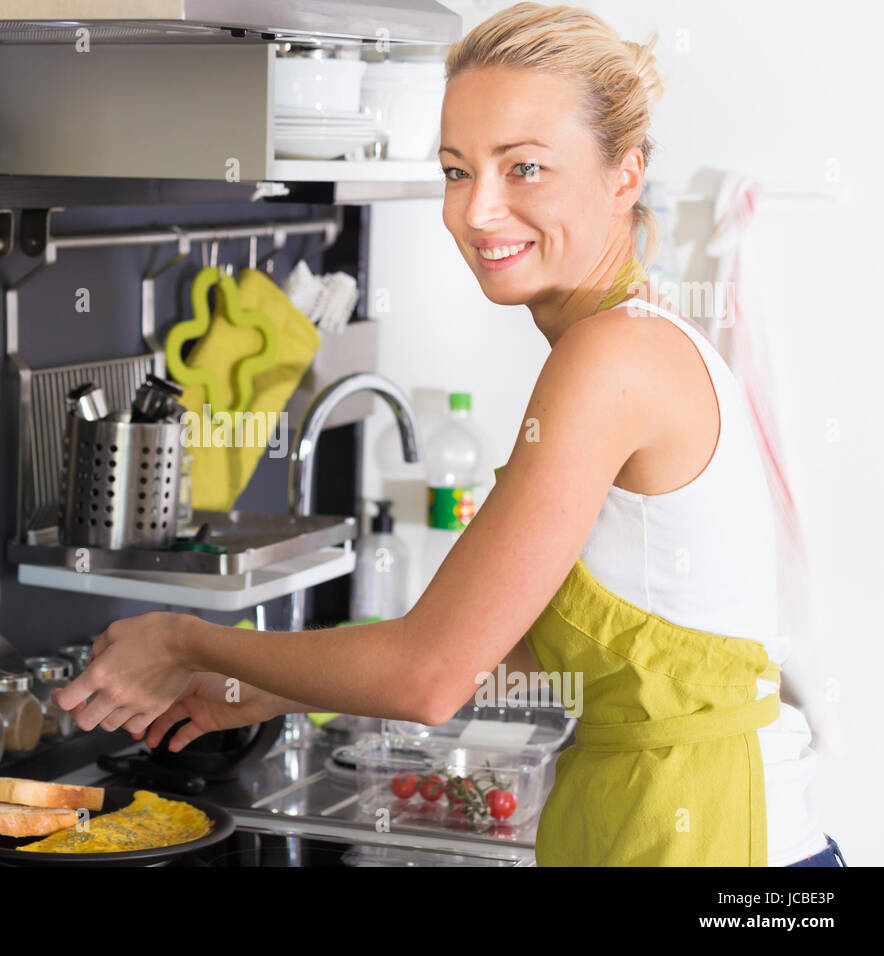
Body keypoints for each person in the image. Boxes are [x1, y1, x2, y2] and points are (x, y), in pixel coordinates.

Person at [53, 2, 838, 867]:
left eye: (525, 167)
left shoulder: (613, 356)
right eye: (458, 170)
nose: (478, 211)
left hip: (721, 839)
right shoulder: (626, 341)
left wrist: (181, 639)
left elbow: (428, 677)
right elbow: (521, 648)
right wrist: (260, 687)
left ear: (625, 175)